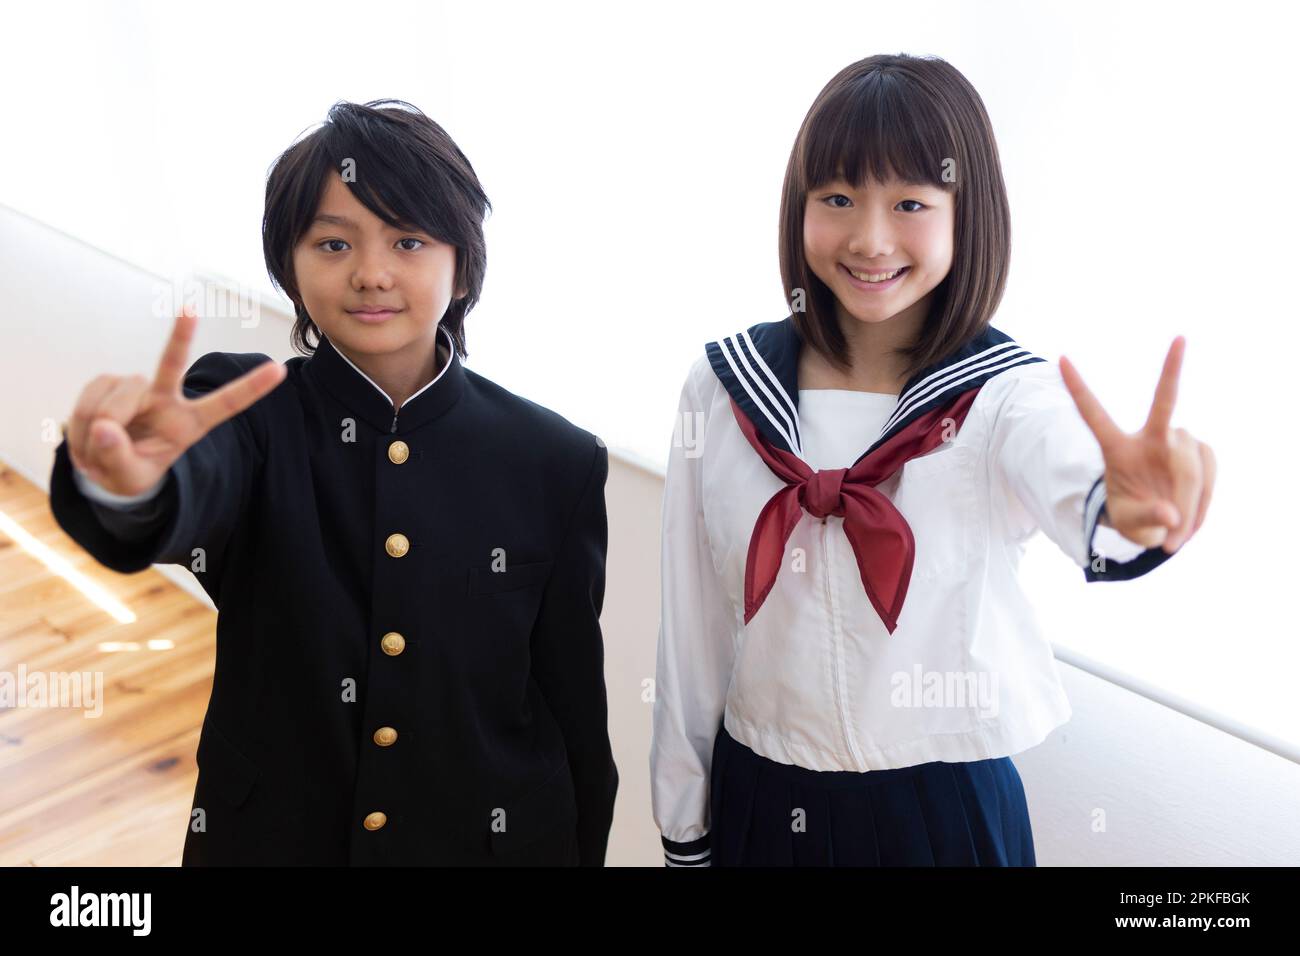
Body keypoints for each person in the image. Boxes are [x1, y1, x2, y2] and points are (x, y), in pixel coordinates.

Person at [649, 54, 1215, 867]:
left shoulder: (1004, 400)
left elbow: (1081, 490)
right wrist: (684, 825)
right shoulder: (722, 387)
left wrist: (1130, 512)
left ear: (966, 212)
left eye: (910, 202)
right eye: (837, 198)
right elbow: (690, 629)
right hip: (762, 799)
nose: (870, 238)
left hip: (941, 815)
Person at [49, 99, 617, 866]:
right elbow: (184, 494)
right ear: (290, 262)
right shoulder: (249, 411)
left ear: (462, 263)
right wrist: (132, 485)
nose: (371, 273)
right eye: (333, 242)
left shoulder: (555, 458)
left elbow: (573, 708)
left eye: (408, 240)